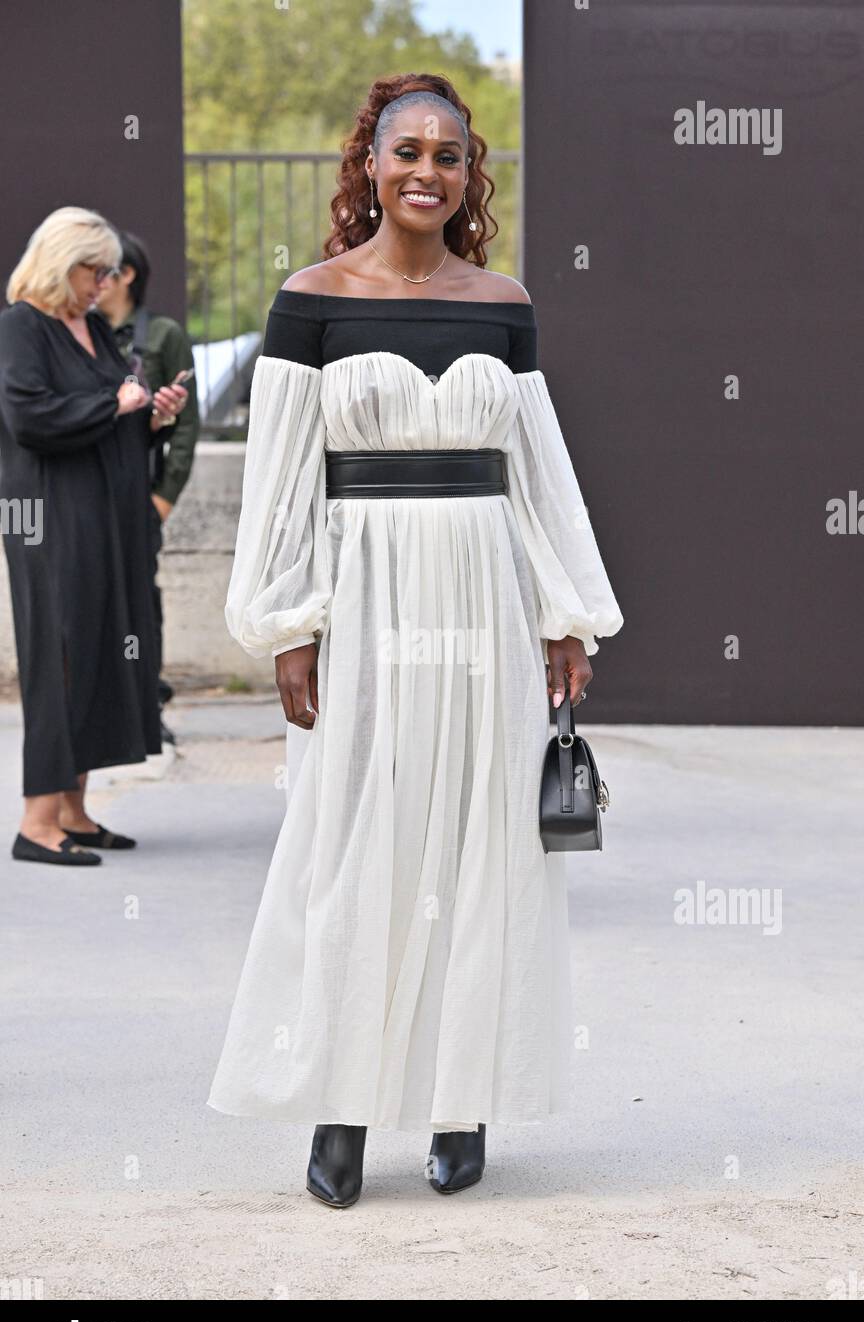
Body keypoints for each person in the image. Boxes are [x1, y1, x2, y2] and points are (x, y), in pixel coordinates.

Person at [207, 75, 624, 1205]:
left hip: (485, 591)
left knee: (482, 845)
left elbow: (538, 473)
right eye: (406, 150)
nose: (426, 170)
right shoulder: (312, 298)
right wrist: (290, 626)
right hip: (366, 594)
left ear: (466, 171)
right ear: (370, 164)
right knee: (352, 840)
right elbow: (285, 483)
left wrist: (562, 612)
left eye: (448, 152)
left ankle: (459, 1096)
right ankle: (340, 1107)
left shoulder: (502, 300)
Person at [0, 207, 189, 866]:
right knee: (62, 655)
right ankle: (37, 822)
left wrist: (155, 417)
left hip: (107, 515)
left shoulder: (96, 332)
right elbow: (30, 418)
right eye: (95, 271)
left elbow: (119, 415)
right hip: (48, 517)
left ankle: (76, 812)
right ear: (61, 262)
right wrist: (117, 404)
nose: (105, 284)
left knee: (101, 650)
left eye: (110, 273)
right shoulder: (22, 328)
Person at [96, 231, 200, 742]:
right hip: (88, 493)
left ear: (126, 274)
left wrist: (162, 499)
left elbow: (186, 429)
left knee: (141, 602)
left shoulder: (162, 335)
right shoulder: (82, 333)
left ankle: (145, 703)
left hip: (140, 495)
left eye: (100, 268)